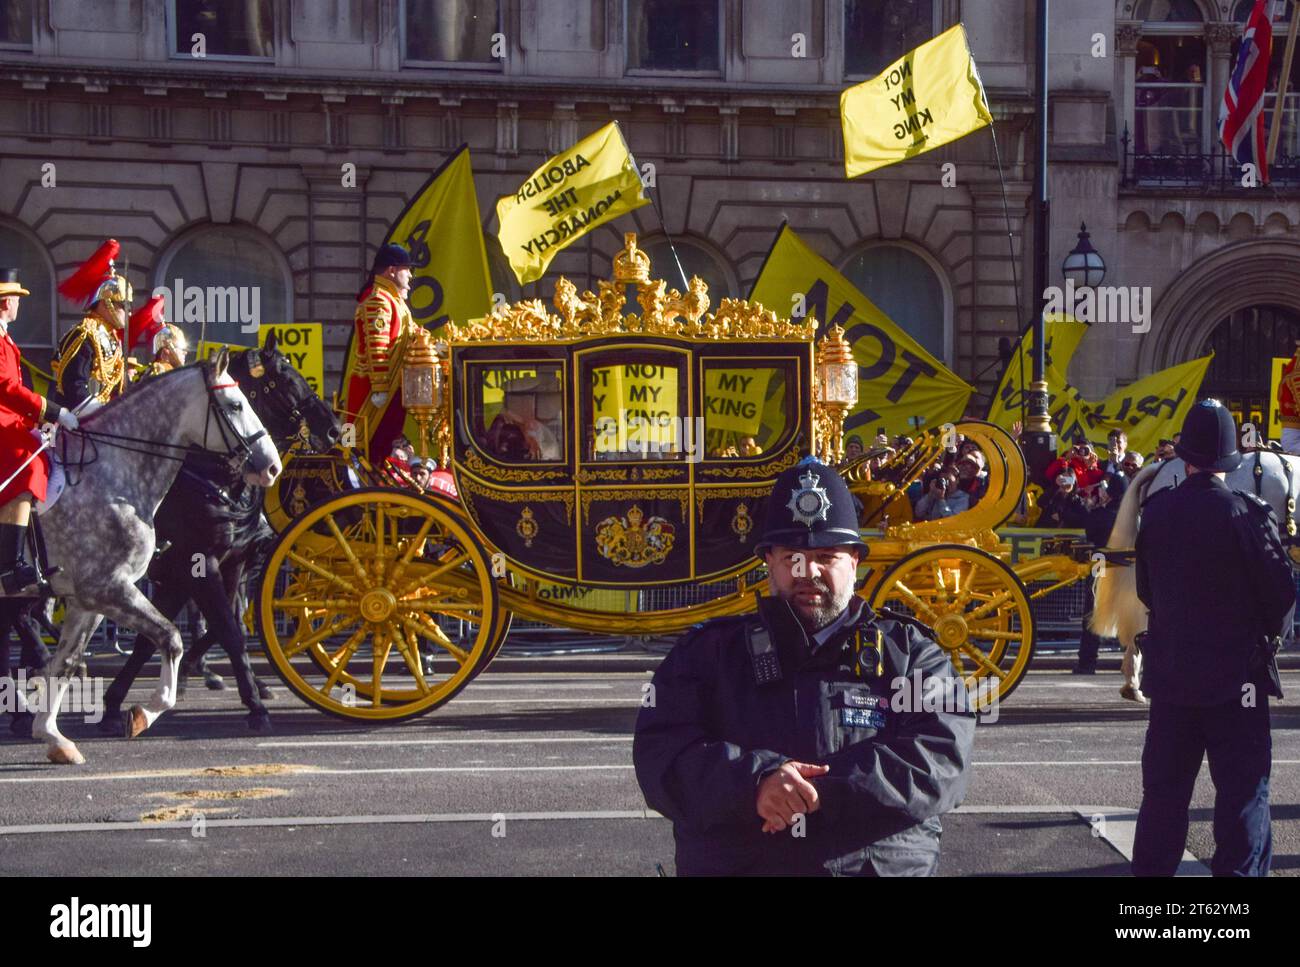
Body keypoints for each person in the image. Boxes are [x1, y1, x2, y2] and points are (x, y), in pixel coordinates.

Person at [633, 456, 974, 875]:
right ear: (769, 562)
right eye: (792, 556)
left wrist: (814, 791)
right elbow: (661, 753)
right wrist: (755, 784)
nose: (807, 571)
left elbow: (941, 756)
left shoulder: (912, 653)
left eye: (826, 556)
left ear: (855, 561)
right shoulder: (706, 654)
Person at [1131, 400, 1295, 877]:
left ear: (1185, 456)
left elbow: (1146, 589)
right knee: (1242, 797)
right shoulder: (1247, 513)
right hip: (1235, 682)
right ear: (1233, 461)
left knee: (1162, 799)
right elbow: (1282, 597)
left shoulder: (1157, 512)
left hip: (1172, 676)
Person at [0, 269, 79, 595]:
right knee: (28, 466)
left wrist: (38, 423)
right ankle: (10, 564)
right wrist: (52, 410)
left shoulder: (5, 337)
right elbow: (6, 388)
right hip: (2, 423)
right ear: (6, 302)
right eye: (16, 298)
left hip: (11, 420)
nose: (19, 304)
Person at [345, 243, 418, 463]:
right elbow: (377, 346)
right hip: (374, 389)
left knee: (385, 442)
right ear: (392, 270)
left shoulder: (393, 299)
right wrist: (379, 387)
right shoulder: (379, 299)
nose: (411, 275)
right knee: (366, 443)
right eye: (407, 269)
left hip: (392, 385)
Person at [50, 240, 131, 412]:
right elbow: (75, 385)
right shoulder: (85, 334)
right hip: (78, 421)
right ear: (105, 303)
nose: (128, 312)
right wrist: (101, 415)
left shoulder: (111, 337)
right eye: (123, 306)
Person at [1075, 473, 1127, 675]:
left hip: (1100, 565)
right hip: (1125, 568)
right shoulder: (1131, 517)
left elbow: (1089, 531)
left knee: (1093, 614)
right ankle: (1132, 660)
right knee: (1128, 617)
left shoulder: (1100, 515)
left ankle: (1087, 662)